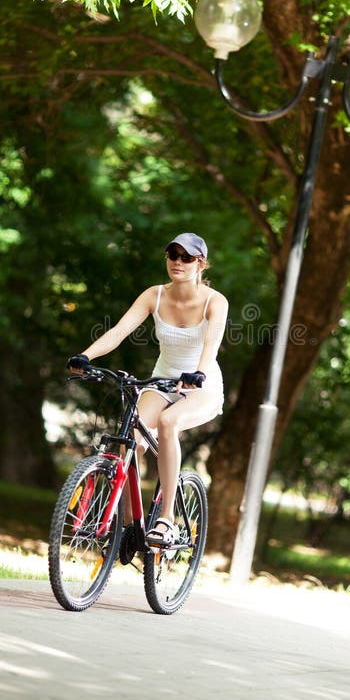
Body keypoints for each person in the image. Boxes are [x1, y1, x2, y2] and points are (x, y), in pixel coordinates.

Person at [67, 232, 228, 548]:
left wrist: (197, 373)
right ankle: (131, 524)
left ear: (201, 264)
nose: (178, 262)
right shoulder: (154, 295)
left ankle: (167, 519)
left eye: (187, 257)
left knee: (168, 424)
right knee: (131, 438)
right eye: (173, 255)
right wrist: (86, 356)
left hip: (201, 386)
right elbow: (120, 331)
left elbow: (212, 343)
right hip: (162, 382)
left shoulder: (215, 301)